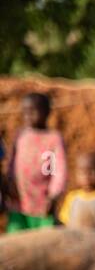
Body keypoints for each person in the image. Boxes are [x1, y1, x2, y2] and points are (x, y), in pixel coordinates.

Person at [5, 92, 66, 233]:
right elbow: (12, 164)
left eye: (33, 111)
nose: (28, 115)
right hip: (19, 200)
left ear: (47, 112)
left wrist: (54, 195)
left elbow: (59, 170)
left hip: (43, 202)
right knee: (16, 240)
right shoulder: (20, 136)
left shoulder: (53, 139)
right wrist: (9, 182)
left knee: (44, 244)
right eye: (25, 111)